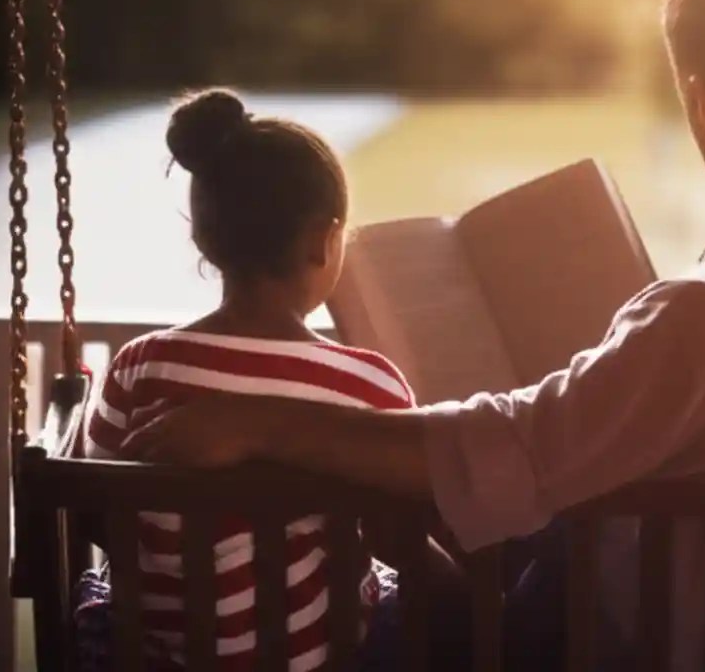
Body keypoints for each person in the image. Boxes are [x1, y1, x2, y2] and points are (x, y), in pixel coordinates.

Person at [127, 0, 705, 669]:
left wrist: (263, 422)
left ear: (704, 102)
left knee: (456, 552)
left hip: (632, 646)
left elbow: (505, 453)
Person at [77, 89, 459, 671]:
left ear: (202, 236)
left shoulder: (141, 366)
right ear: (322, 241)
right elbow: (407, 522)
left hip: (160, 658)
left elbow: (97, 509)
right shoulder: (370, 383)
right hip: (322, 659)